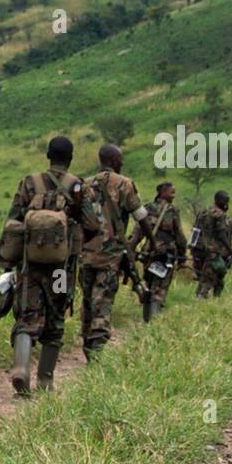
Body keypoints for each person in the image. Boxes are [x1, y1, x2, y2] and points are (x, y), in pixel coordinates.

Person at [0, 136, 101, 393]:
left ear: (48, 155)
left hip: (29, 264)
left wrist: (8, 263)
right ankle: (45, 381)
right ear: (71, 158)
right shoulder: (78, 186)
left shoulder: (29, 182)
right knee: (54, 322)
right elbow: (92, 225)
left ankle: (21, 369)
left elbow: (13, 222)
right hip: (60, 267)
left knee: (26, 317)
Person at [79, 144, 154, 358]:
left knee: (87, 300)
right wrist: (152, 241)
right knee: (102, 301)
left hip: (86, 254)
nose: (122, 163)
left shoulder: (84, 184)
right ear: (113, 161)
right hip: (110, 256)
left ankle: (87, 343)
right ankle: (96, 353)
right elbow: (141, 217)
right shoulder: (125, 184)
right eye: (120, 160)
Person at [128, 181, 187, 320]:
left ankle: (146, 316)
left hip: (149, 253)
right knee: (160, 288)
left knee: (148, 284)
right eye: (171, 191)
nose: (174, 194)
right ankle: (153, 321)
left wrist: (131, 250)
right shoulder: (172, 211)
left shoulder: (147, 208)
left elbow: (137, 233)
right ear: (162, 192)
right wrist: (182, 255)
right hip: (166, 254)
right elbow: (180, 236)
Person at [192, 190, 232, 298]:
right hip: (212, 252)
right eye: (226, 201)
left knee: (207, 278)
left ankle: (211, 302)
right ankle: (201, 304)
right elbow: (222, 236)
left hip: (199, 250)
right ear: (220, 201)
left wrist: (192, 248)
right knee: (207, 281)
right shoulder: (219, 215)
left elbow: (195, 231)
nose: (227, 204)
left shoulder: (202, 212)